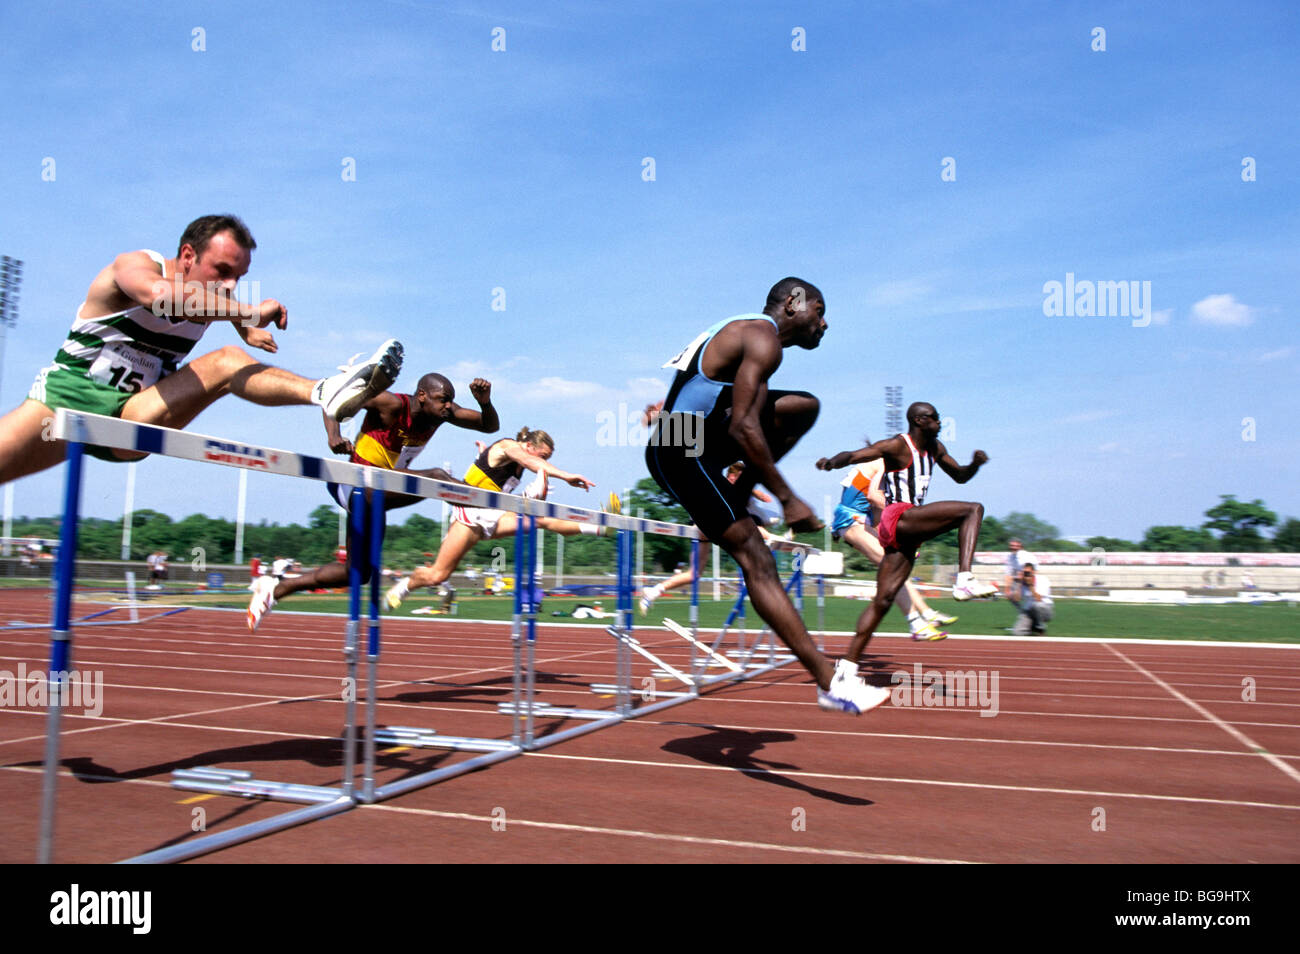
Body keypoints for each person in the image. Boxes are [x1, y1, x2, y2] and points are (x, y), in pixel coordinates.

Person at [0, 214, 402, 485]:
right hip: (63, 405)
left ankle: (324, 392)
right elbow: (160, 297)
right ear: (188, 255)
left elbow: (213, 306)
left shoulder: (212, 298)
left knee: (226, 362)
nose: (230, 286)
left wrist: (245, 328)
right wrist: (245, 313)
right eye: (223, 272)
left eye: (240, 278)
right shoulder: (137, 265)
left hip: (133, 413)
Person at [644, 278, 888, 715]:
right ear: (794, 304)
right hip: (679, 448)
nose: (824, 322)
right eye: (819, 309)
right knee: (756, 558)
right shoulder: (761, 338)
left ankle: (736, 491)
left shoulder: (748, 332)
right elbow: (741, 427)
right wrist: (788, 498)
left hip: (690, 437)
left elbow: (730, 412)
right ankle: (828, 682)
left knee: (803, 406)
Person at [247, 374, 500, 631]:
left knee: (357, 573)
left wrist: (485, 403)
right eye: (442, 400)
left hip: (380, 493)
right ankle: (480, 505)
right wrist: (333, 435)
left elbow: (489, 426)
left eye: (450, 402)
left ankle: (276, 589)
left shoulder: (443, 414)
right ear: (422, 395)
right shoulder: (389, 404)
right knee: (436, 478)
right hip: (354, 483)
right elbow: (333, 396)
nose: (448, 406)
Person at [817, 402, 998, 664]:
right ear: (919, 420)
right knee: (973, 510)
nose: (940, 423)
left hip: (909, 524)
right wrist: (831, 462)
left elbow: (960, 477)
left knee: (883, 599)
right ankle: (965, 580)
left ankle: (848, 667)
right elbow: (855, 455)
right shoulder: (896, 446)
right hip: (899, 516)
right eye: (935, 418)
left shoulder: (936, 449)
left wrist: (975, 465)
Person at [385, 427, 619, 609]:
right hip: (470, 518)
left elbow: (512, 469)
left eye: (547, 459)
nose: (543, 464)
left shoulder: (522, 462)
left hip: (494, 515)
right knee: (438, 575)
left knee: (541, 519)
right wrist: (566, 475)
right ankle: (403, 587)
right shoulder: (508, 446)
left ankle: (600, 528)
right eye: (543, 457)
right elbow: (530, 461)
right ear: (528, 445)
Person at [829, 453, 955, 640]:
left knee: (899, 569)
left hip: (860, 521)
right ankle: (918, 621)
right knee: (895, 570)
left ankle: (925, 615)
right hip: (851, 521)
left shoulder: (884, 467)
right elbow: (873, 497)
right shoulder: (885, 464)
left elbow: (878, 516)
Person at [638, 461, 781, 615]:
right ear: (732, 477)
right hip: (706, 521)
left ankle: (653, 592)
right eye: (742, 479)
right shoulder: (723, 484)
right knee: (746, 521)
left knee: (694, 574)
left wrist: (756, 494)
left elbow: (753, 495)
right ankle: (771, 538)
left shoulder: (735, 488)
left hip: (705, 527)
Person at [1011, 562, 1053, 635]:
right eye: (1024, 572)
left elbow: (1038, 599)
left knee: (1037, 605)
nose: (1026, 575)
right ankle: (1032, 630)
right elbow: (1016, 599)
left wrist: (1030, 585)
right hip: (1029, 612)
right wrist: (1018, 584)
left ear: (1033, 572)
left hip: (1044, 610)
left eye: (1028, 572)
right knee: (1017, 632)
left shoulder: (1042, 580)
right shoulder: (1021, 583)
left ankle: (1040, 626)